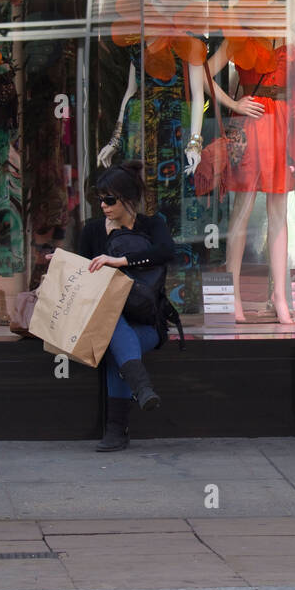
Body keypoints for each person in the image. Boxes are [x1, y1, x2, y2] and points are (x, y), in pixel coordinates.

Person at [79, 160, 177, 452]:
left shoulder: (152, 226)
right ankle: (141, 388)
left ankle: (116, 430)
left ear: (128, 199)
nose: (104, 206)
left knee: (114, 345)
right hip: (109, 319)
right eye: (100, 200)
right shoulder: (93, 231)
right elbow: (82, 273)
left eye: (110, 200)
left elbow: (165, 252)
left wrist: (120, 261)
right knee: (110, 327)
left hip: (148, 322)